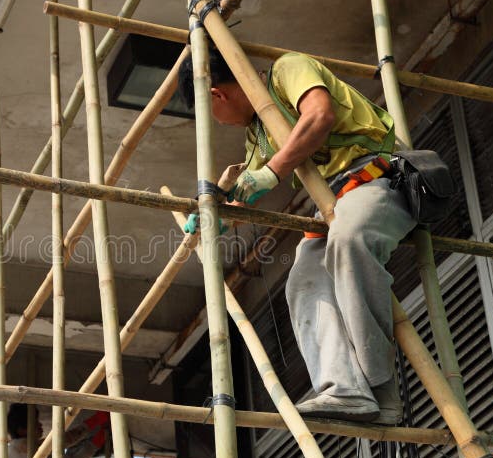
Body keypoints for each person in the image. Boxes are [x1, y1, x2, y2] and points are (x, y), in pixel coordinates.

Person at [178, 48, 416, 425]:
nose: (218, 122)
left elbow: (320, 115)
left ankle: (379, 383)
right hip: (336, 203)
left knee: (349, 240)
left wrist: (271, 171)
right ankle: (345, 388)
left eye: (209, 112)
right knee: (304, 278)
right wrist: (217, 218)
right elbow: (248, 190)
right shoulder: (259, 133)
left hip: (381, 180)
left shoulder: (288, 70)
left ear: (215, 94)